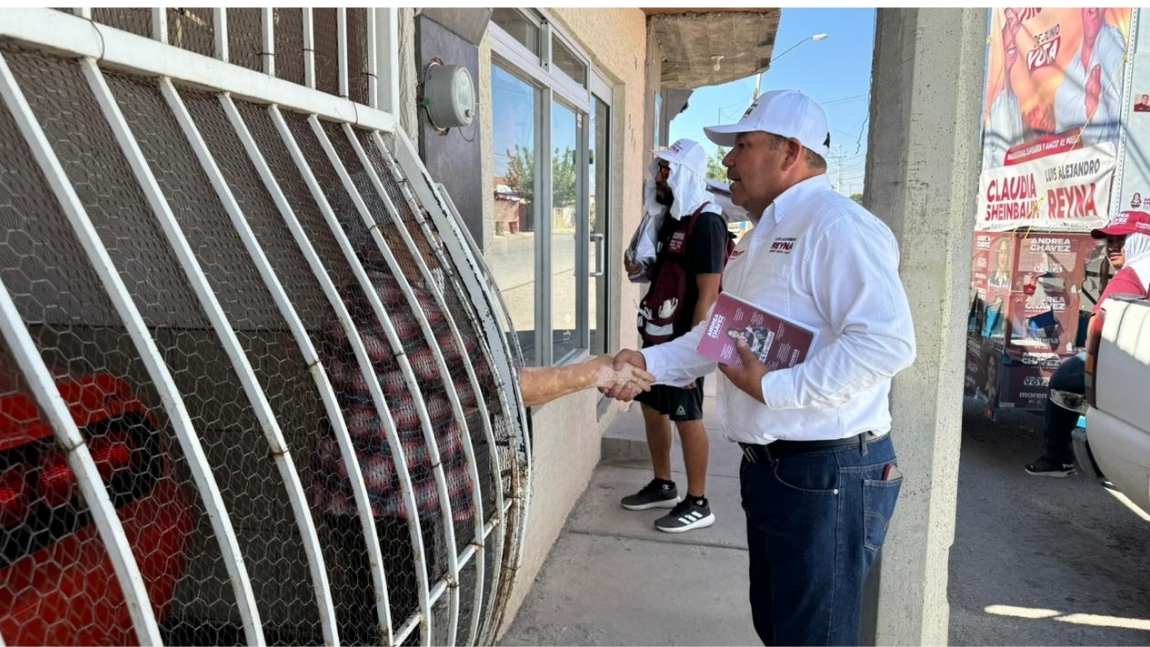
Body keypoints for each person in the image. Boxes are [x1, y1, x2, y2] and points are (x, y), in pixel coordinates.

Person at [605, 89, 916, 646]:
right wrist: (647, 360)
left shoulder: (837, 226)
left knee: (810, 638)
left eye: (742, 146)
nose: (727, 162)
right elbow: (719, 335)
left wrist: (778, 387)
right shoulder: (759, 236)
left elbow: (886, 342)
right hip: (774, 471)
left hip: (828, 473)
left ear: (790, 152)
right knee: (778, 629)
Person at [620, 137, 730, 533]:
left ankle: (698, 501)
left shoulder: (708, 222)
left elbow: (709, 293)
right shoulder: (672, 218)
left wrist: (694, 356)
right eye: (659, 169)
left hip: (683, 345)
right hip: (657, 339)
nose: (660, 176)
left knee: (688, 418)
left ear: (687, 174)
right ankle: (663, 484)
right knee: (652, 411)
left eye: (668, 170)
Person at [1025, 210, 1150, 476]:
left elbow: (1098, 328)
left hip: (1127, 360)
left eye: (1121, 240)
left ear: (1141, 238)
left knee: (1061, 379)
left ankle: (1058, 458)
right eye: (1110, 241)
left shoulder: (1132, 274)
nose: (1113, 247)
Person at [1054, 8, 1127, 147]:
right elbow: (1060, 143)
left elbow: (1122, 140)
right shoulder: (1069, 77)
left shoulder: (1114, 53)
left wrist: (1094, 111)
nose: (1092, 9)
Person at [984, 7, 1026, 170]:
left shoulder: (1013, 98)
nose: (1013, 36)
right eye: (1008, 25)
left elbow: (1018, 156)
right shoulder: (996, 102)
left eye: (1016, 26)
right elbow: (1003, 160)